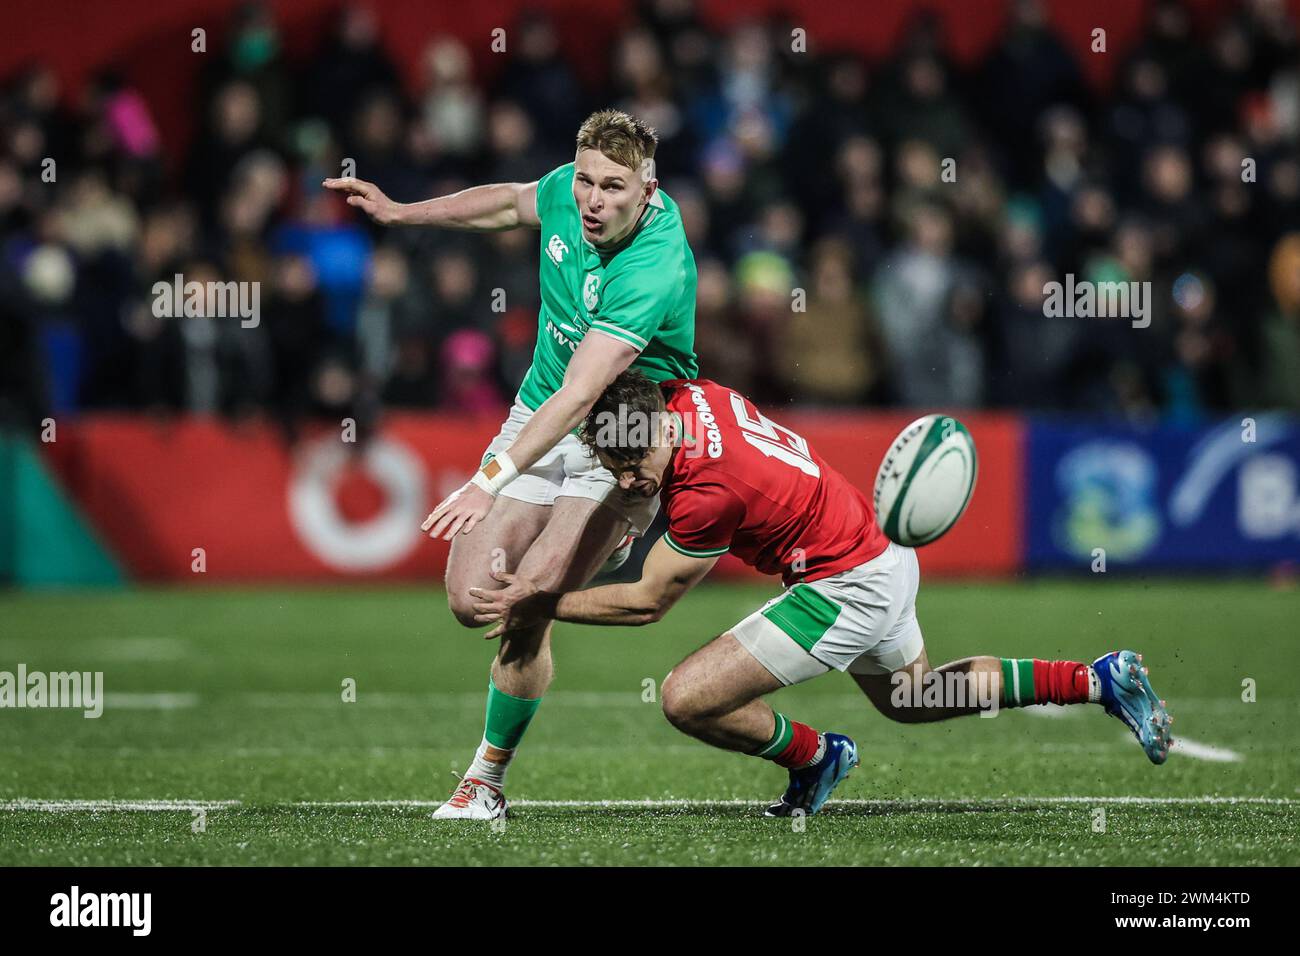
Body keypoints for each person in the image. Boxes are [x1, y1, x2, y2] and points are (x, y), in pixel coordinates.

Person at [471, 371, 1174, 816]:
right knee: (916, 698)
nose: (628, 480)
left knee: (685, 698)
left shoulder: (709, 489)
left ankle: (815, 756)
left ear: (657, 428)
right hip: (874, 548)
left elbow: (649, 601)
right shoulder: (693, 396)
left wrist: (540, 600)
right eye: (615, 467)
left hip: (844, 582)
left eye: (634, 462)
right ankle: (1099, 680)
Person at [325, 110, 699, 819]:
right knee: (473, 601)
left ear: (647, 189)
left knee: (526, 603)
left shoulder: (656, 264)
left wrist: (486, 479)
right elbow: (505, 200)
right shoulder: (568, 188)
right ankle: (565, 567)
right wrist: (403, 214)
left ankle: (485, 782)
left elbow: (584, 391)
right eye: (585, 181)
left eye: (612, 187)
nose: (591, 199)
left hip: (619, 436)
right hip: (540, 416)